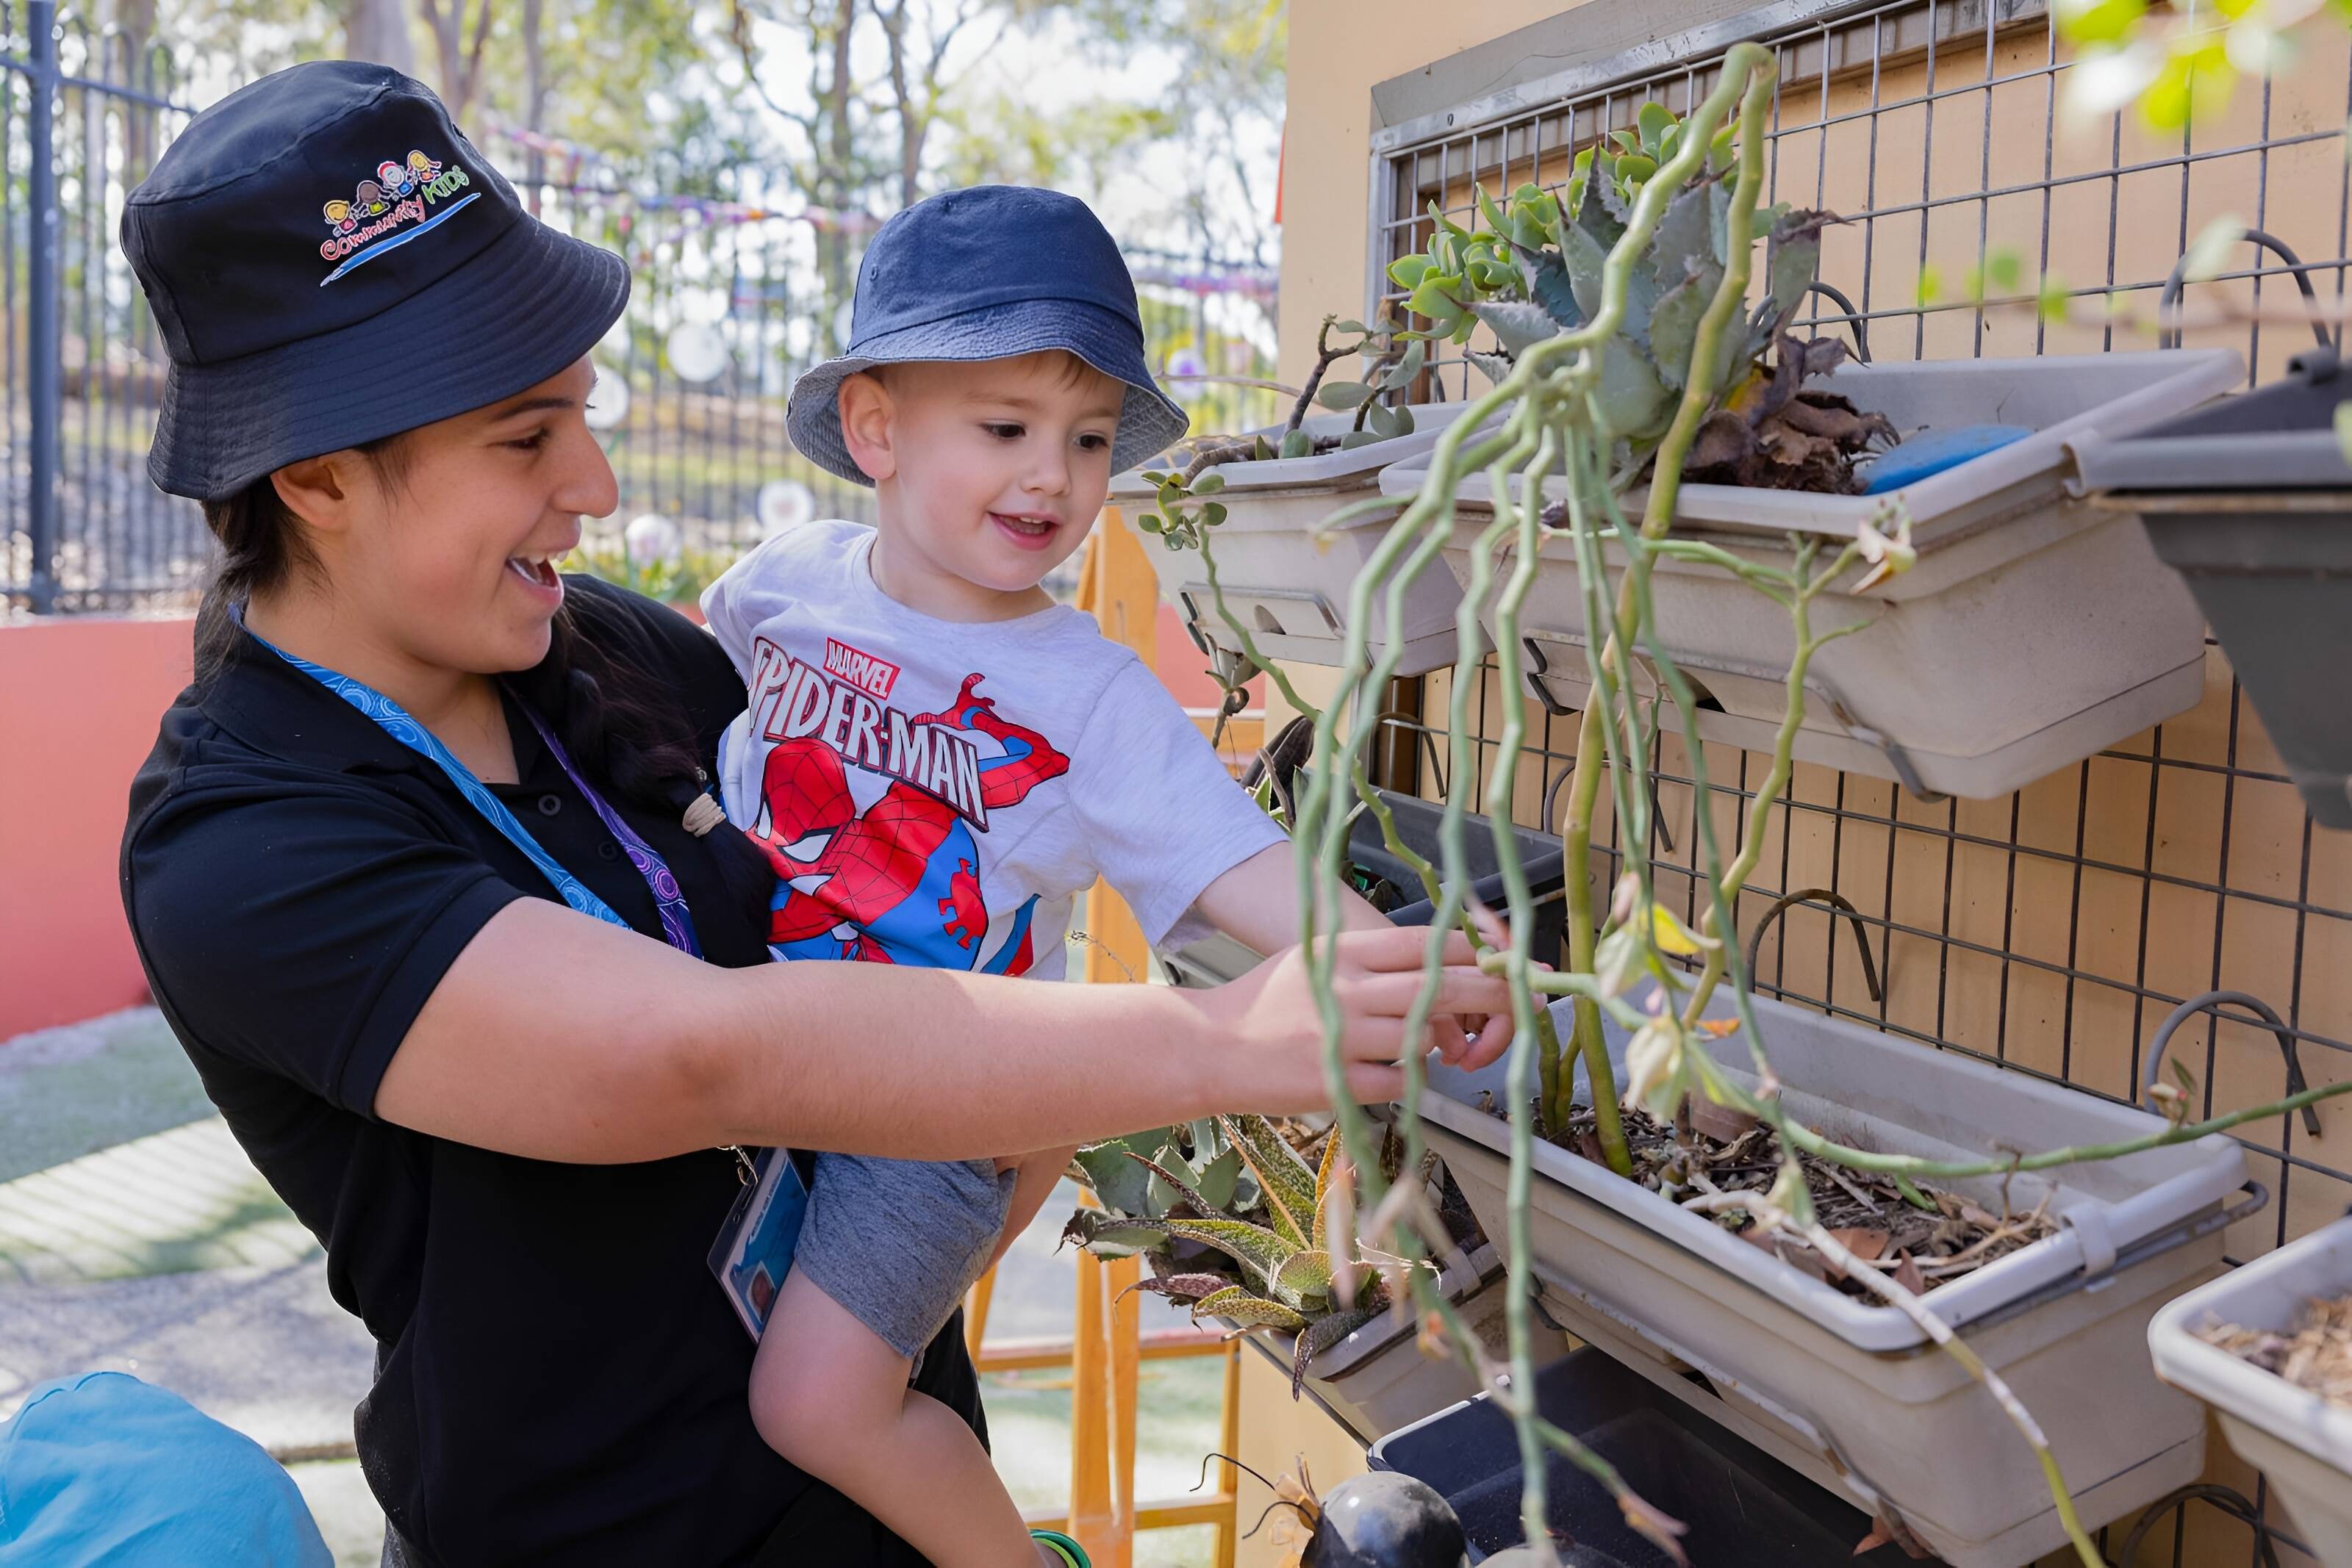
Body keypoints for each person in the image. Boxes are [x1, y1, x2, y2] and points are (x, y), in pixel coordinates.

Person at [113, 61, 1516, 1568]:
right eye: (526, 440)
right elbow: (693, 1053)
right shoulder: (243, 843)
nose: (590, 483)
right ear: (319, 476)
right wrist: (1212, 1040)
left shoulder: (615, 652)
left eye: (581, 416)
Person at [699, 187, 1430, 1568]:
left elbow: (1242, 863)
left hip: (928, 1109)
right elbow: (711, 711)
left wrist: (1396, 969)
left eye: (1088, 439)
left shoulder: (1093, 696)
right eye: (1005, 428)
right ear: (875, 430)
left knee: (813, 1402)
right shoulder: (780, 583)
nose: (1053, 475)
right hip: (765, 1046)